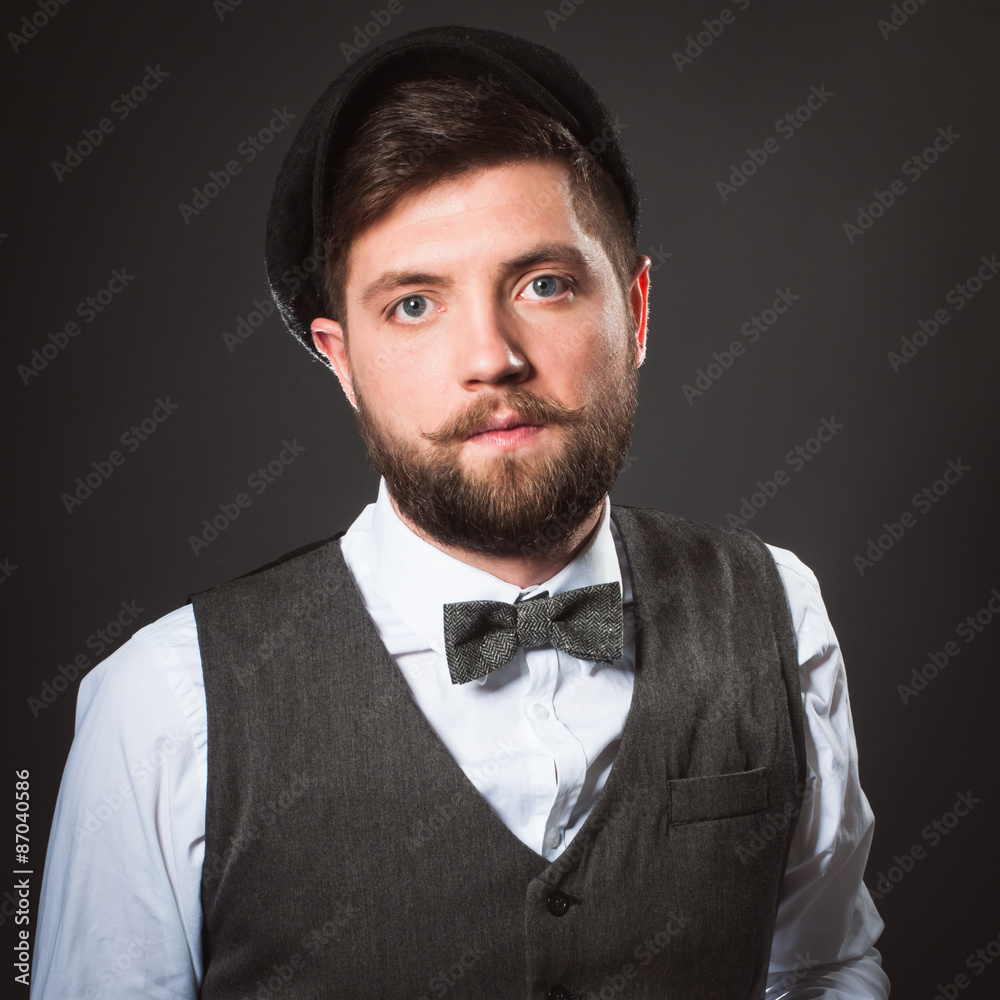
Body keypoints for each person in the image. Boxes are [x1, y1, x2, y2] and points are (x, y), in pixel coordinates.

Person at [32, 25, 889, 999]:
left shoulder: (781, 613)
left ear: (637, 313)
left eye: (543, 283)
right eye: (413, 304)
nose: (491, 355)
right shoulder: (162, 707)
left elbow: (824, 966)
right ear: (341, 358)